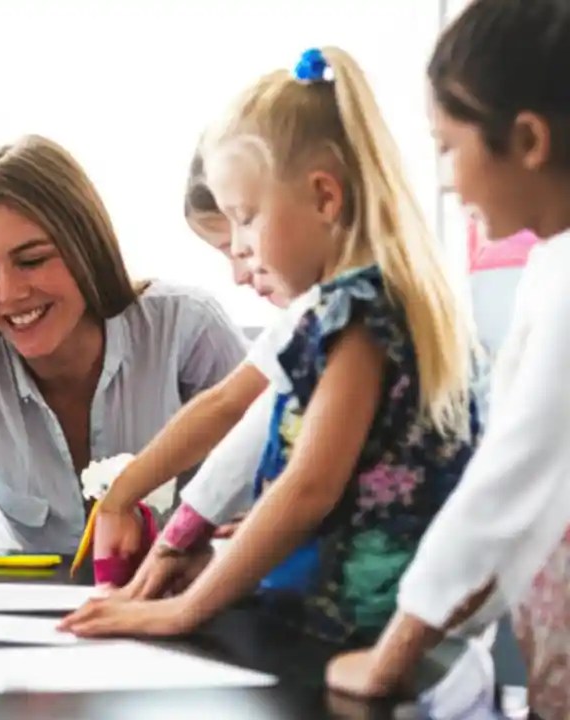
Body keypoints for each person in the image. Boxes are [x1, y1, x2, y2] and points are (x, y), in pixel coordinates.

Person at [61, 47, 481, 646]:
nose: (243, 250)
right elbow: (229, 408)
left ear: (324, 198)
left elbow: (309, 488)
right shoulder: (345, 306)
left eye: (248, 218)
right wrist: (137, 507)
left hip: (357, 622)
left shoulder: (359, 317)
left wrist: (180, 612)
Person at [327, 2, 570, 717]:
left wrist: (393, 654)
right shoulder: (549, 264)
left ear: (526, 138)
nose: (443, 179)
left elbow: (511, 479)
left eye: (447, 146)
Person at [0, 134, 248, 555]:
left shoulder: (189, 329)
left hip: (188, 599)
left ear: (85, 244)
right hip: (33, 616)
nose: (8, 293)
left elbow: (263, 490)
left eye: (32, 261)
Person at [90, 148, 305, 584]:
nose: (239, 275)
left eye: (242, 246)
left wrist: (173, 544)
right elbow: (224, 406)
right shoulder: (309, 322)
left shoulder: (343, 317)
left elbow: (229, 412)